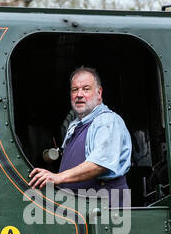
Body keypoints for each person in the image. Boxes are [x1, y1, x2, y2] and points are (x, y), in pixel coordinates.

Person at [27, 67, 132, 203]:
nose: (79, 94)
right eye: (75, 89)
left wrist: (58, 177)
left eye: (86, 89)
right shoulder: (75, 125)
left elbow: (100, 164)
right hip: (80, 209)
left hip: (104, 212)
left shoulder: (107, 120)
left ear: (99, 93)